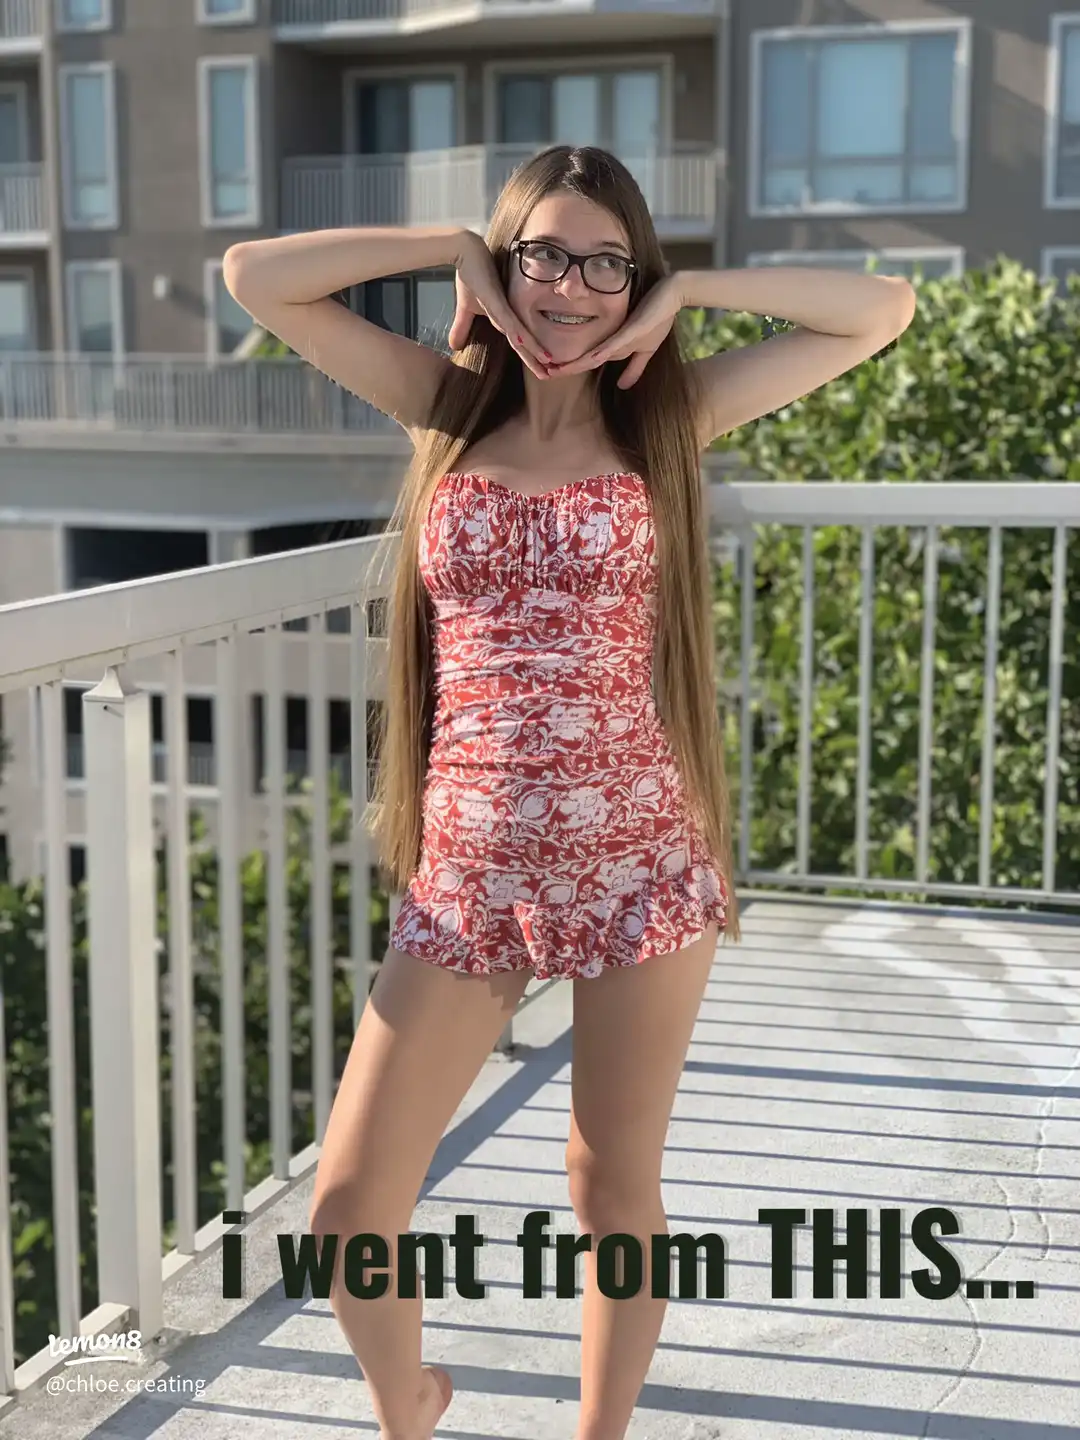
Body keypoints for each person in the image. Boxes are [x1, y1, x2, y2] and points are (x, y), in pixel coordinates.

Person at [223, 145, 915, 1440]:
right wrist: (450, 252)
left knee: (610, 1186)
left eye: (608, 262)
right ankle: (408, 1408)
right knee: (351, 1208)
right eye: (546, 254)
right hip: (469, 875)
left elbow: (879, 313)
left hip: (638, 856)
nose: (573, 287)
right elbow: (257, 278)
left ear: (632, 279)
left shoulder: (665, 417)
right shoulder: (444, 405)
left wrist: (686, 295)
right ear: (510, 261)